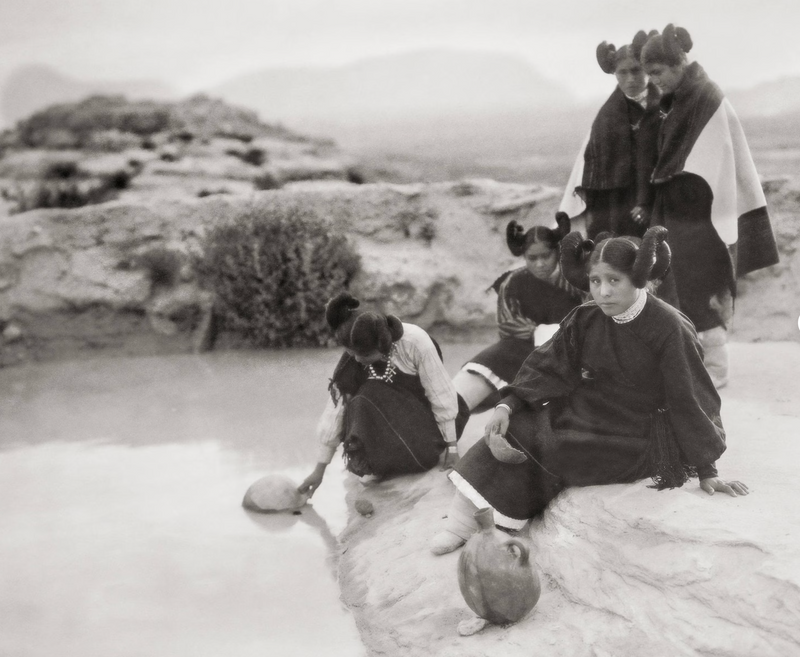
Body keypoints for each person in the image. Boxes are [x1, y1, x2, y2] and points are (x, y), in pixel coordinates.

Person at [430, 227, 748, 570]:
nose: (603, 291)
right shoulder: (586, 316)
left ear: (639, 279)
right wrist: (509, 404)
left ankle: (498, 527)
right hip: (592, 409)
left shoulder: (670, 327)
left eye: (614, 281)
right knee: (515, 426)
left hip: (639, 431)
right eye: (595, 281)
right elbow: (548, 365)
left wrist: (706, 468)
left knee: (557, 443)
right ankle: (461, 523)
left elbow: (692, 398)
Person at [640, 24, 779, 388]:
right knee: (678, 287)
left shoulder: (705, 96)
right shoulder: (681, 100)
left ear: (678, 63)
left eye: (658, 72)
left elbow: (714, 158)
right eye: (649, 75)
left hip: (703, 216)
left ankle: (716, 370)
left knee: (700, 289)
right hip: (682, 212)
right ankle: (695, 365)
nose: (654, 82)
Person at [298, 292, 468, 496]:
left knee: (369, 393)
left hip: (424, 428)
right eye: (352, 353)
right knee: (357, 400)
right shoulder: (354, 352)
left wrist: (452, 448)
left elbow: (440, 392)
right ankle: (377, 464)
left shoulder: (415, 342)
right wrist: (319, 471)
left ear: (383, 345)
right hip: (392, 425)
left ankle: (408, 457)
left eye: (365, 355)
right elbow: (336, 409)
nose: (358, 360)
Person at [452, 213, 583, 415]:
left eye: (545, 256)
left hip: (566, 352)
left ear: (557, 252)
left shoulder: (575, 280)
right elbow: (508, 323)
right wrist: (541, 333)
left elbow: (589, 314)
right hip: (518, 348)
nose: (539, 264)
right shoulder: (513, 281)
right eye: (532, 258)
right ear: (523, 257)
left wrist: (558, 335)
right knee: (469, 382)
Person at [560, 30, 661, 240]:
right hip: (619, 201)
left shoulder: (665, 106)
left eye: (636, 70)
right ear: (614, 74)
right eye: (622, 73)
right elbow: (596, 167)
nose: (631, 79)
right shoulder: (607, 117)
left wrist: (647, 201)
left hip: (661, 194)